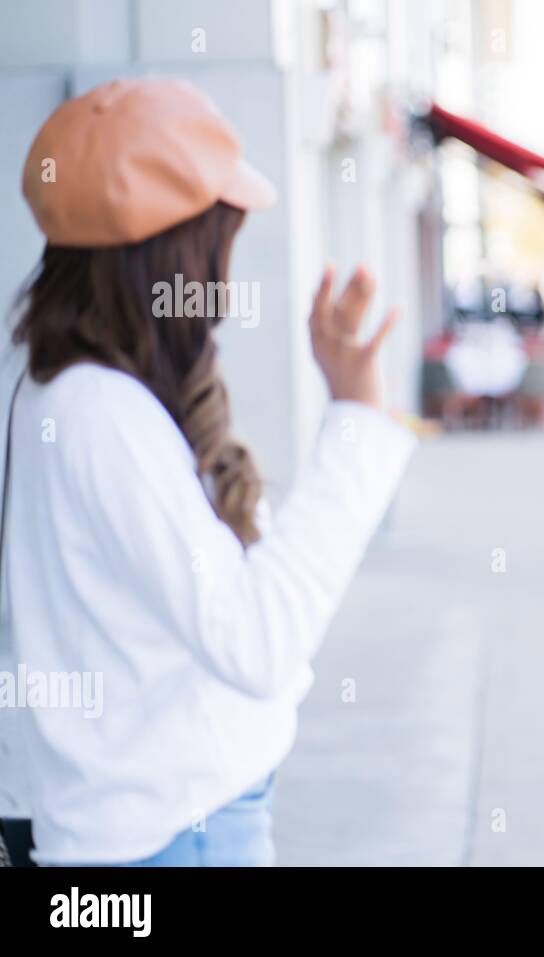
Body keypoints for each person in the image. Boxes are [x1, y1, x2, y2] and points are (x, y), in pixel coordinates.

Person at [0, 77, 416, 866]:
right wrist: (357, 420)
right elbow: (256, 638)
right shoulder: (101, 410)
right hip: (169, 839)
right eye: (221, 236)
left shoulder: (57, 386)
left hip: (145, 832)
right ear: (177, 251)